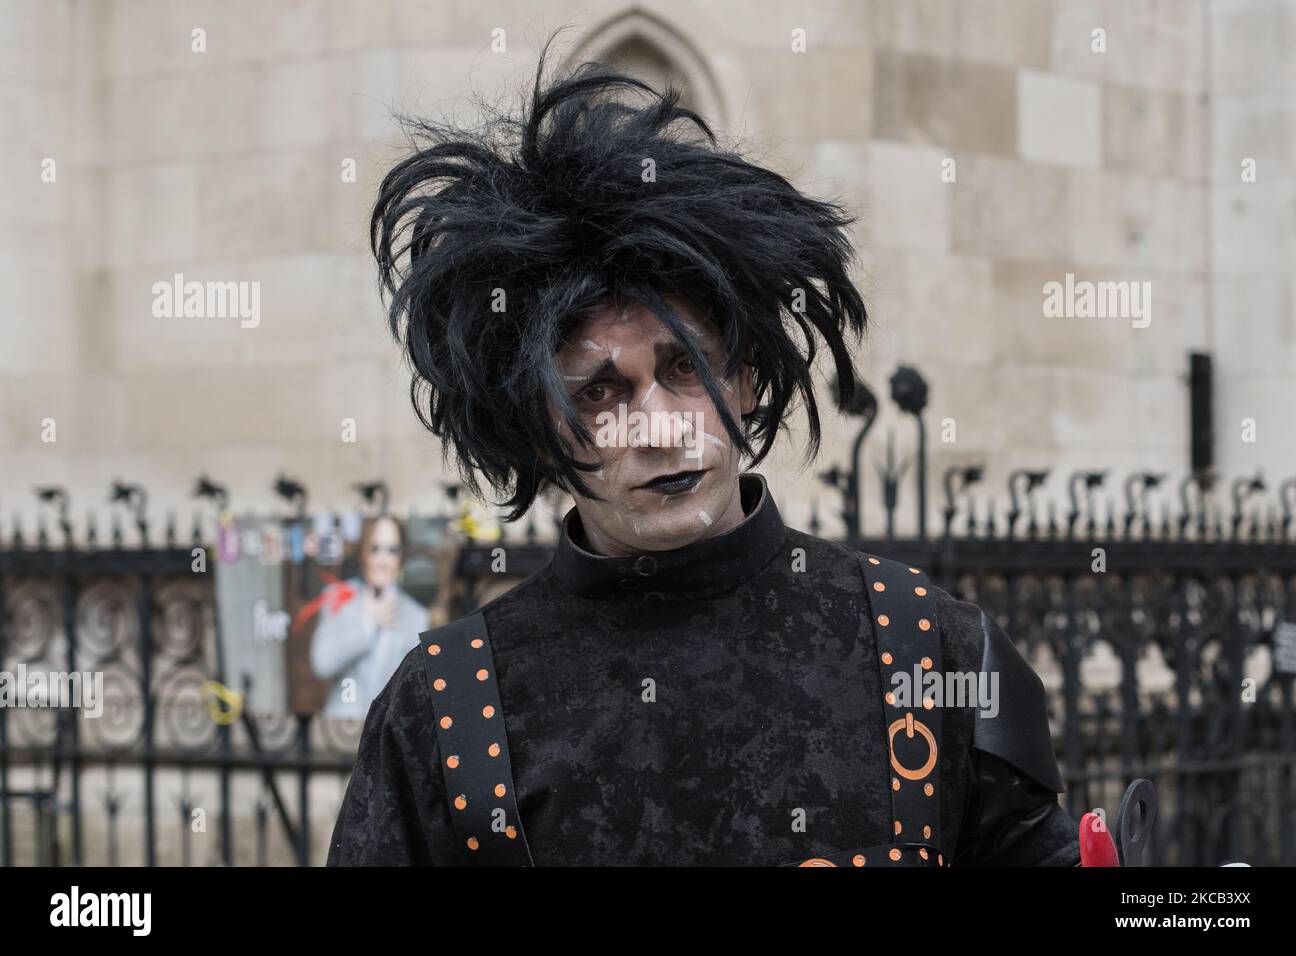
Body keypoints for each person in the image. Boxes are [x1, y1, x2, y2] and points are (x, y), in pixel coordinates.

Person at [327, 41, 1079, 866]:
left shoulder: (931, 644)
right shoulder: (443, 706)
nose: (660, 425)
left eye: (684, 367)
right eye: (600, 392)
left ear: (747, 376)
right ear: (536, 429)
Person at [310, 516, 429, 720]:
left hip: (389, 733)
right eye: (375, 549)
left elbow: (415, 689)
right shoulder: (338, 596)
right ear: (363, 552)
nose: (382, 560)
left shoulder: (416, 615)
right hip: (342, 729)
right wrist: (368, 624)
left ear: (401, 558)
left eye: (392, 550)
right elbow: (321, 663)